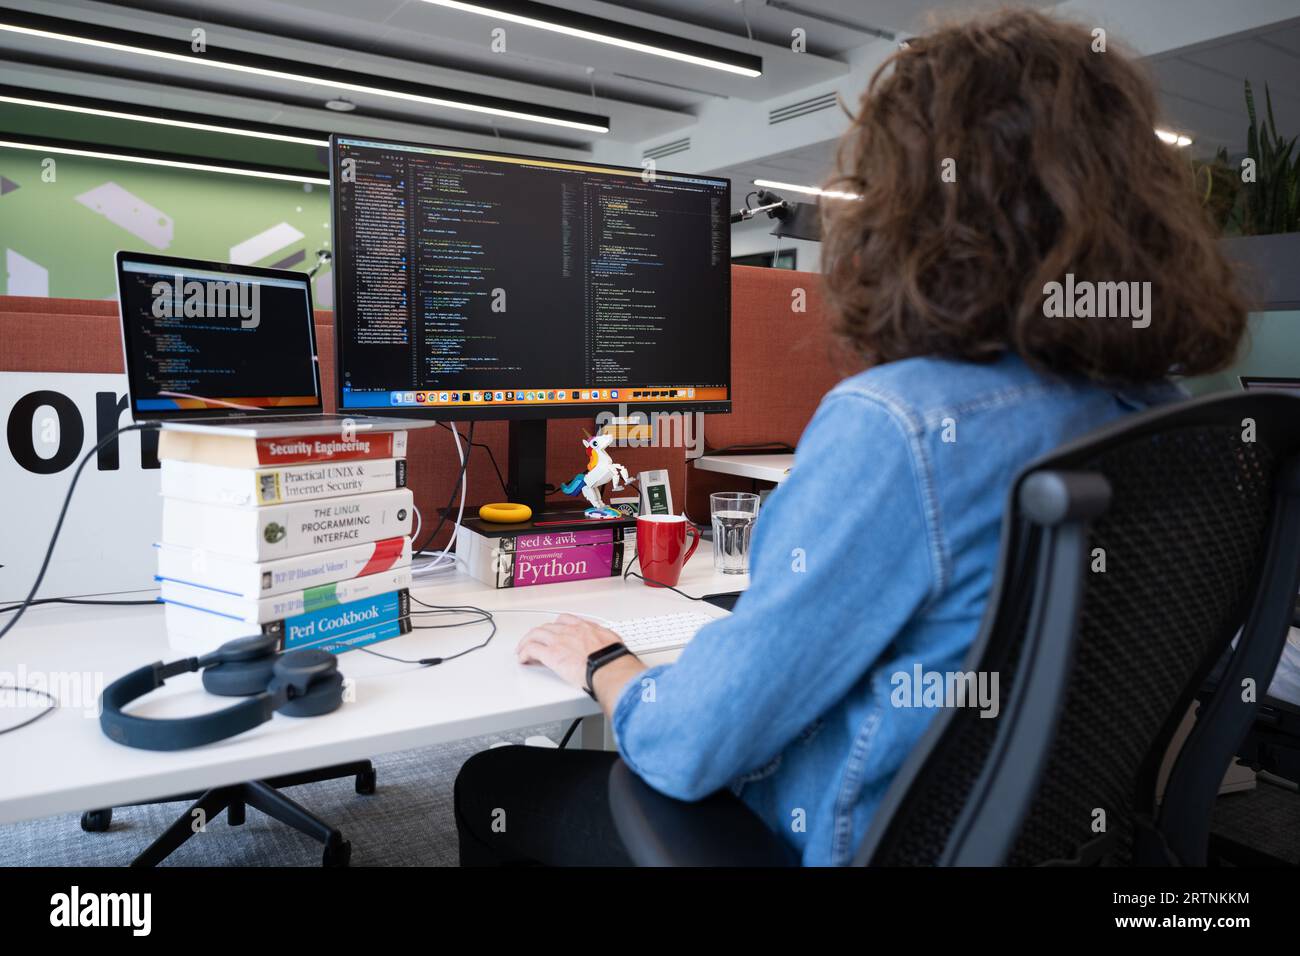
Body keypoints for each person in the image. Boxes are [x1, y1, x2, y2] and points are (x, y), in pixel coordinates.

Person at [453, 7, 1248, 867]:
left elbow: (696, 748)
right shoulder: (1177, 419)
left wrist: (608, 661)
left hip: (842, 843)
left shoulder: (902, 424)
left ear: (905, 209)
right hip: (1053, 844)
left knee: (496, 784)